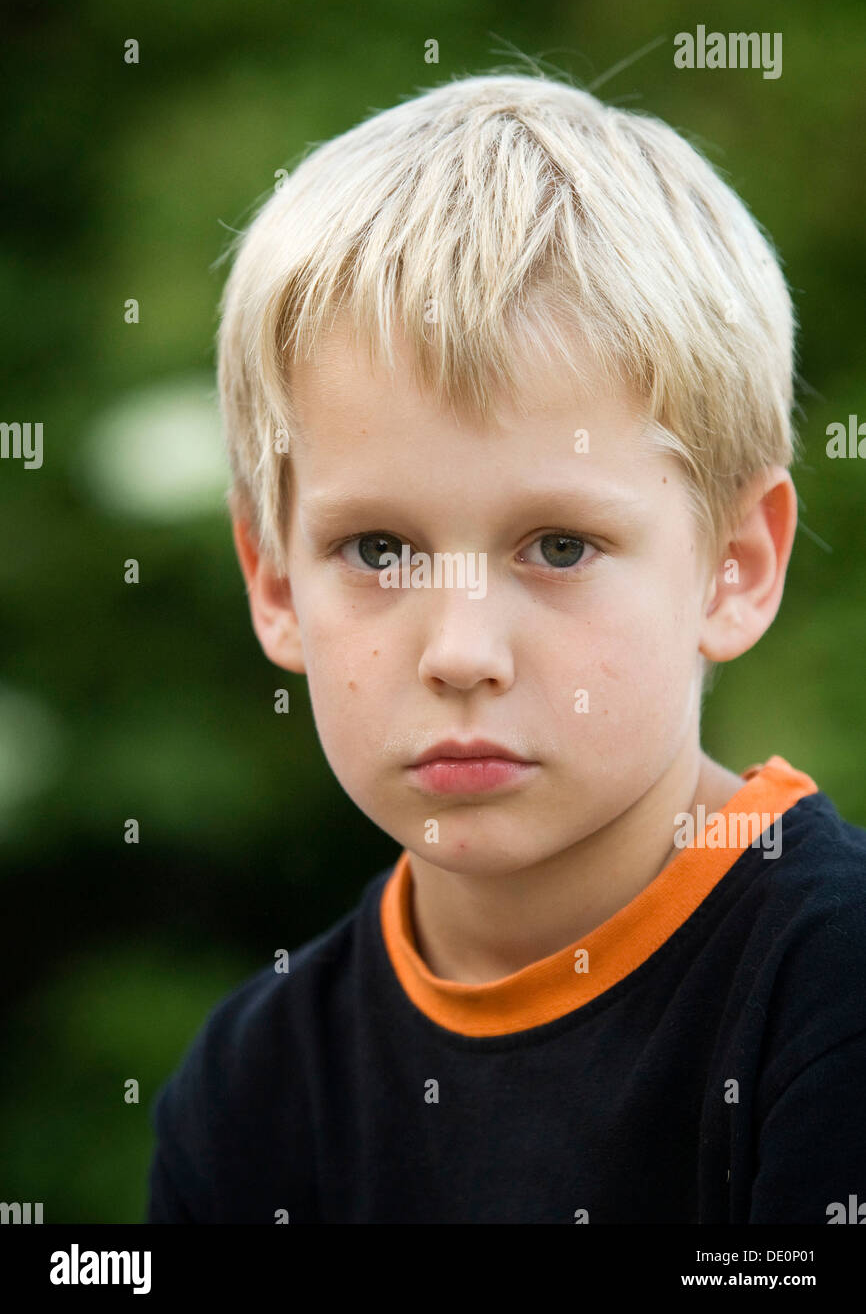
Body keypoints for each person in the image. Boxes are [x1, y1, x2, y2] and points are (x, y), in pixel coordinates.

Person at [147, 72, 866, 1223]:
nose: (461, 651)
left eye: (559, 546)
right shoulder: (252, 1085)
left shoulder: (826, 995)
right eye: (377, 547)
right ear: (274, 583)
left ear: (733, 565)